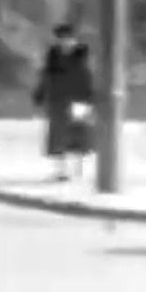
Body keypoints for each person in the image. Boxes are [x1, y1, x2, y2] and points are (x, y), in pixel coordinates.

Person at [32, 24, 94, 181]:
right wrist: (40, 93)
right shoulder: (52, 56)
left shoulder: (83, 55)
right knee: (58, 135)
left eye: (68, 38)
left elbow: (90, 77)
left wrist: (91, 97)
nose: (65, 42)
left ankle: (78, 169)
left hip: (80, 100)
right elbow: (45, 77)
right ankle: (61, 171)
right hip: (57, 100)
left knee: (78, 133)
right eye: (61, 39)